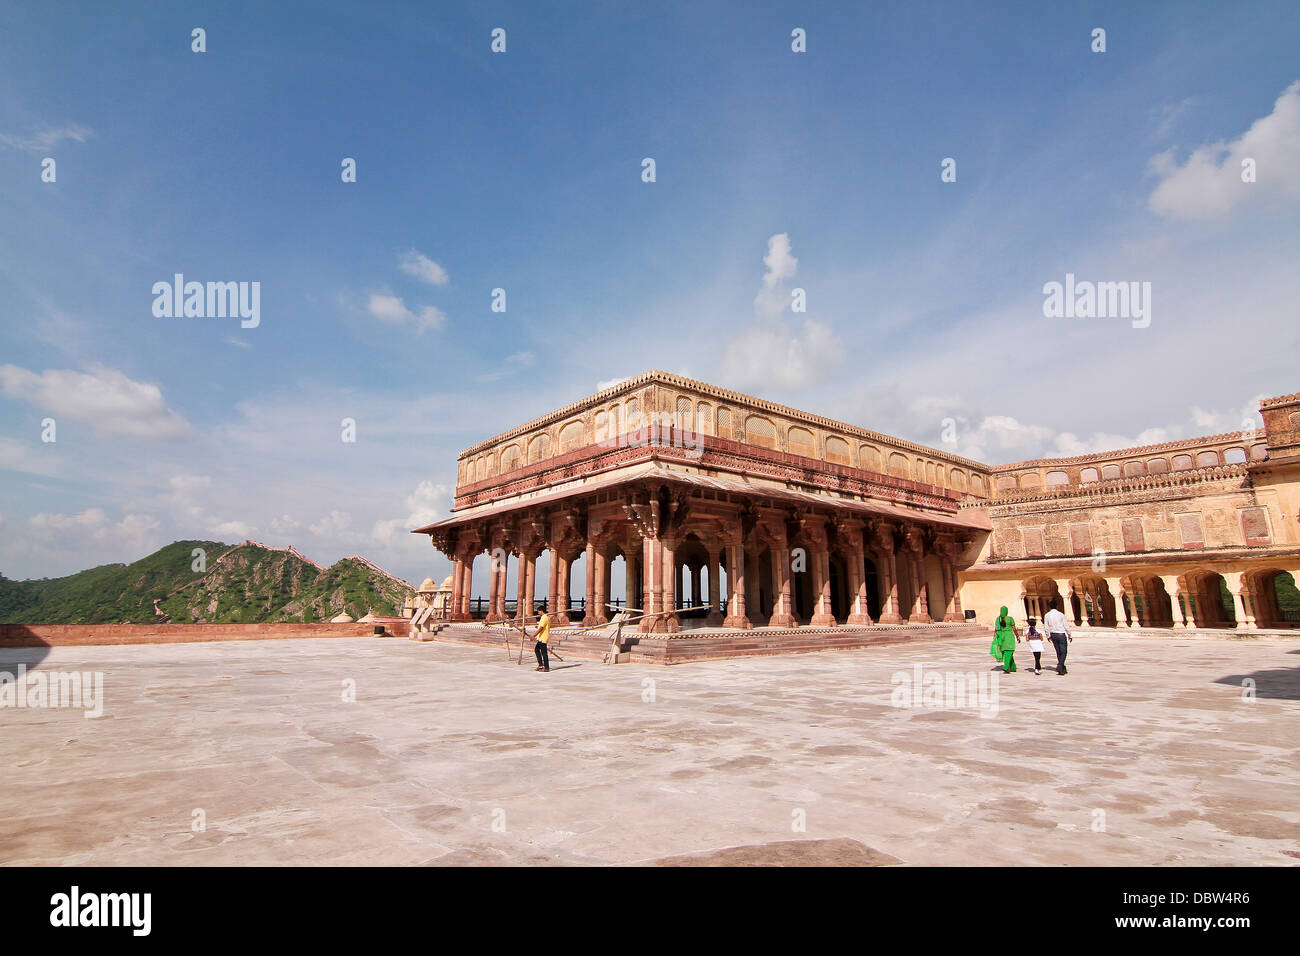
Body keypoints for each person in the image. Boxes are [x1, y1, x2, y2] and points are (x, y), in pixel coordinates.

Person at [1042, 601, 1072, 675]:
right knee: (1064, 651)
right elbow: (1066, 625)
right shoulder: (1061, 614)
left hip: (1053, 634)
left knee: (1058, 651)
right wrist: (1069, 634)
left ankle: (1062, 667)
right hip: (1061, 634)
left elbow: (1046, 627)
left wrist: (1048, 635)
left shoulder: (1047, 615)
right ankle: (1060, 665)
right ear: (1056, 606)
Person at [990, 605, 1019, 673]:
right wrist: (1017, 636)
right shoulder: (1010, 619)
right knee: (1008, 651)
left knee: (1007, 651)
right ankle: (1006, 666)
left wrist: (995, 636)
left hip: (1001, 636)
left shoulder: (998, 619)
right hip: (1008, 636)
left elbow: (996, 628)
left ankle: (1013, 667)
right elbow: (1014, 628)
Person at [533, 605, 551, 672]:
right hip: (541, 637)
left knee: (544, 653)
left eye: (538, 611)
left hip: (543, 637)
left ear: (541, 611)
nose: (538, 613)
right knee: (537, 649)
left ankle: (546, 667)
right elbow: (541, 626)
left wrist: (534, 635)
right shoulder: (545, 617)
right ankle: (540, 665)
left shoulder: (544, 617)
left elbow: (541, 628)